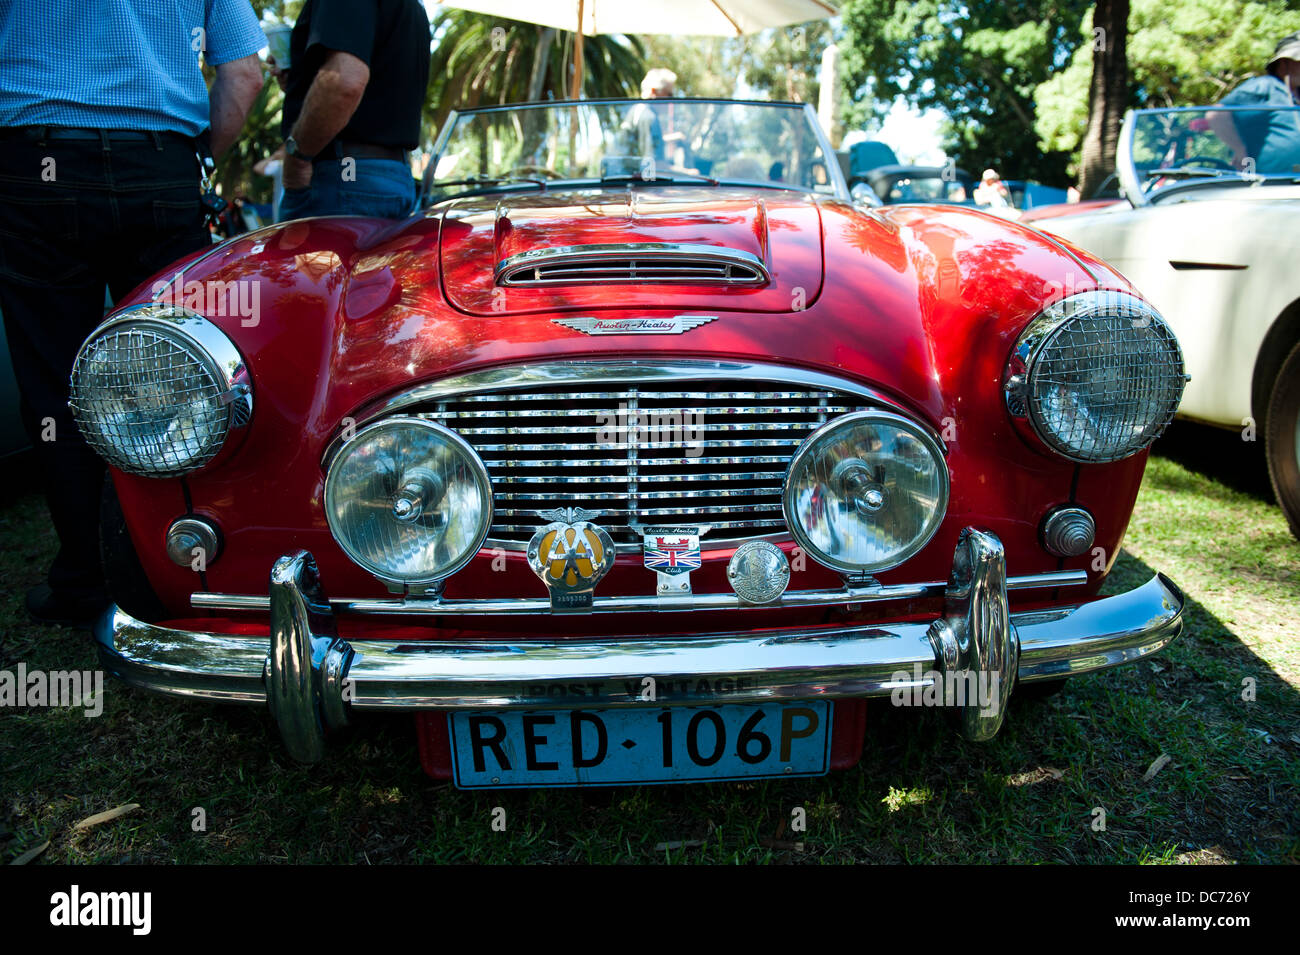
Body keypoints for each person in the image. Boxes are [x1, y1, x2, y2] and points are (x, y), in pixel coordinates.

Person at [0, 1, 266, 625]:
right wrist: (195, 163)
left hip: (35, 168)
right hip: (162, 168)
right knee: (184, 379)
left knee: (54, 387)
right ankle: (188, 568)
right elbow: (245, 72)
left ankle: (83, 579)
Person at [277, 0, 431, 220]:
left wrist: (297, 158)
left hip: (342, 176)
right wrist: (300, 83)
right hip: (389, 175)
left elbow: (345, 82)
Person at [1209, 31, 1300, 174]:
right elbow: (1216, 115)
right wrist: (1239, 149)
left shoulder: (1297, 93)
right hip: (1270, 183)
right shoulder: (1264, 86)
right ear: (1284, 63)